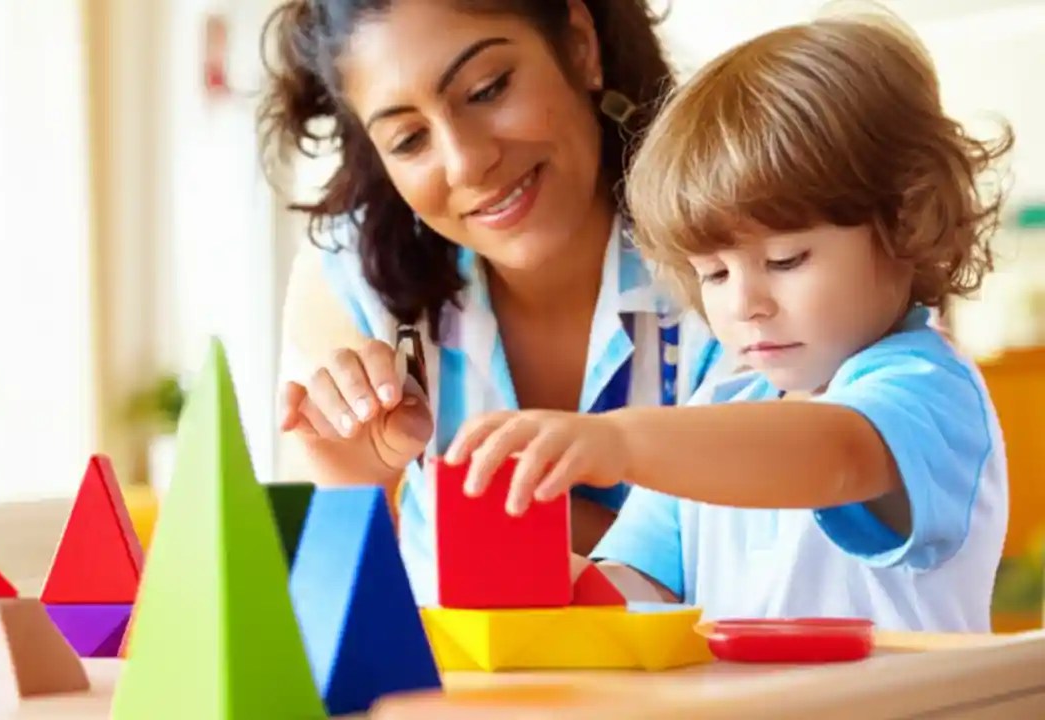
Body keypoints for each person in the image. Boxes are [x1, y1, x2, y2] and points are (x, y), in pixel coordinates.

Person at [445, 10, 1014, 631]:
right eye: (714, 274)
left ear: (906, 221)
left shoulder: (927, 388)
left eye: (785, 260)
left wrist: (622, 442)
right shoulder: (714, 413)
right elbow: (632, 594)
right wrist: (531, 580)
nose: (745, 304)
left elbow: (837, 455)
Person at [259, 0, 724, 607]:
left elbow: (769, 547)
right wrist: (352, 485)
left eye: (487, 89)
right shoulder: (353, 283)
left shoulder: (733, 254)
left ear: (579, 46)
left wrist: (505, 530)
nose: (467, 162)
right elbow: (329, 614)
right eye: (409, 140)